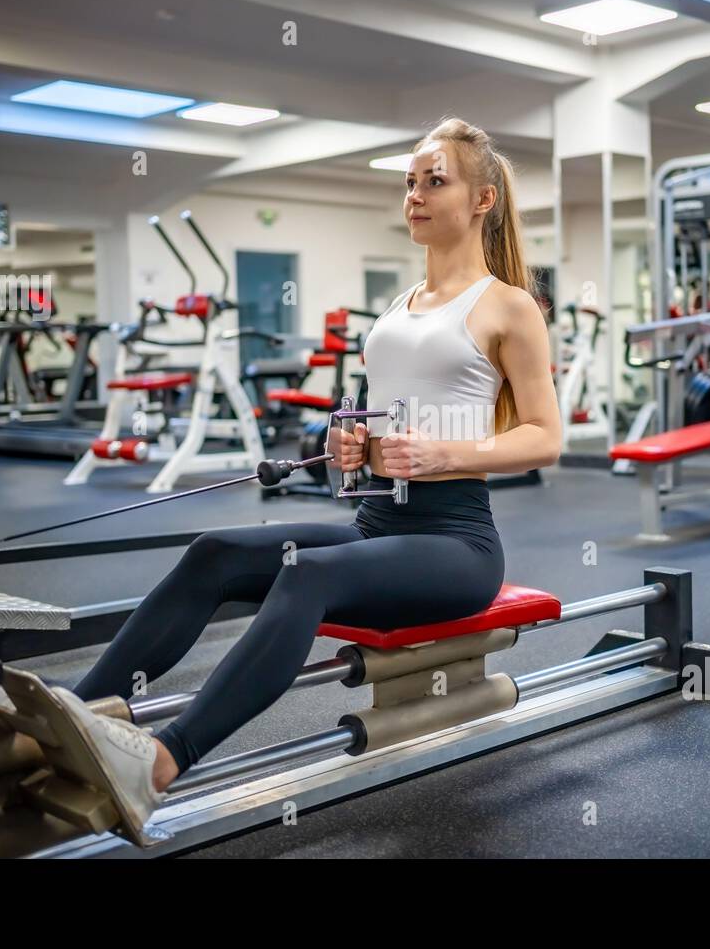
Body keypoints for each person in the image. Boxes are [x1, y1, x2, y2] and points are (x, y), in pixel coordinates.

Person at [56, 117, 562, 825]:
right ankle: (77, 710)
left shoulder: (509, 305)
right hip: (377, 523)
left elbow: (545, 437)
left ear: (482, 200)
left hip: (455, 545)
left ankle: (162, 763)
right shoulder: (397, 309)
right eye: (410, 182)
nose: (414, 195)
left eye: (434, 181)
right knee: (217, 553)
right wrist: (355, 446)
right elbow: (385, 424)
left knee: (308, 573)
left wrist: (447, 454)